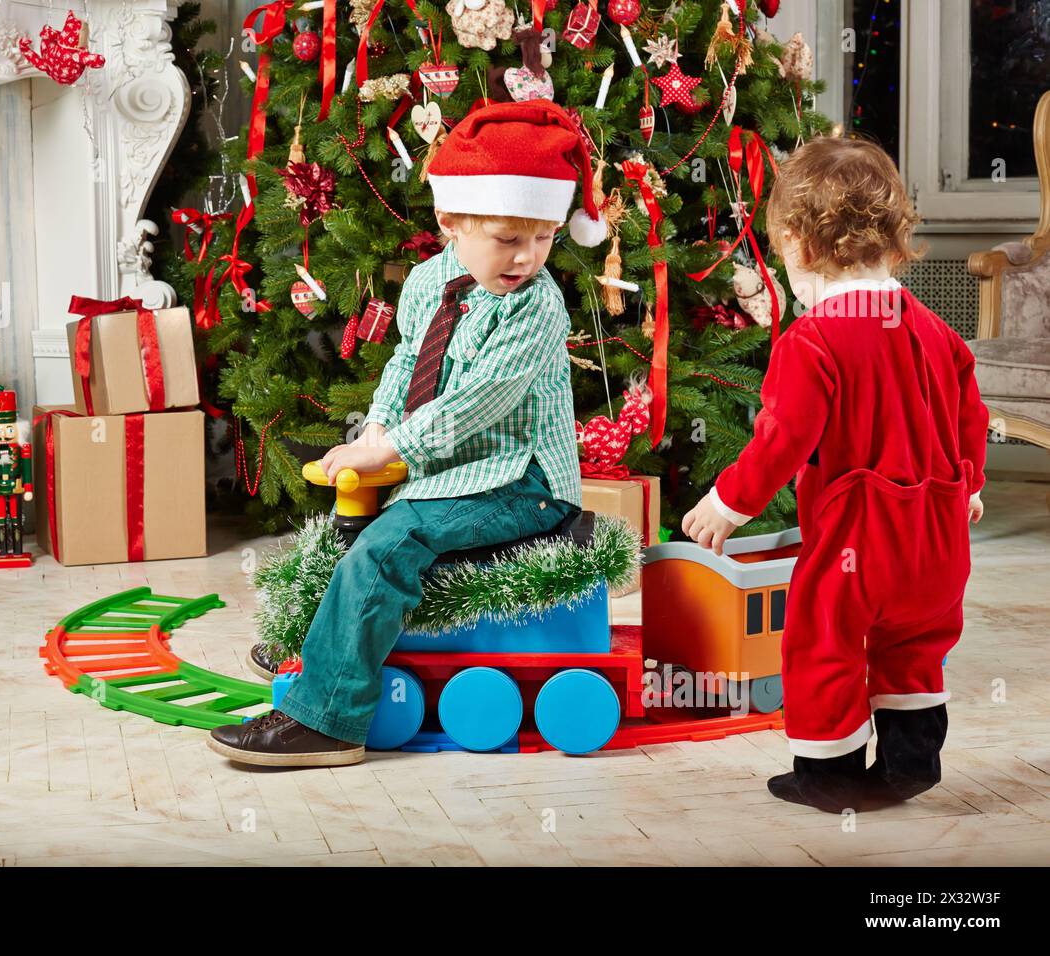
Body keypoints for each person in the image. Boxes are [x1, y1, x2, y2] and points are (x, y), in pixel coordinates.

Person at [209, 100, 603, 767]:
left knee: (391, 542)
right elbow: (403, 362)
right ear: (451, 222)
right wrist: (378, 431)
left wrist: (394, 450)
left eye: (543, 239)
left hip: (520, 479)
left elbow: (481, 401)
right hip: (446, 468)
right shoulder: (427, 282)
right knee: (348, 522)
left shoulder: (536, 306)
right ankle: (317, 652)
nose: (528, 257)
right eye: (509, 239)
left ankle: (329, 722)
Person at [680, 135, 989, 812]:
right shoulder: (936, 330)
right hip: (939, 535)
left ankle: (830, 773)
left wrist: (729, 503)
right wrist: (968, 485)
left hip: (859, 538)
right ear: (895, 240)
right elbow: (971, 414)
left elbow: (783, 438)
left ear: (797, 243)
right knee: (916, 640)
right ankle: (911, 760)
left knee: (826, 640)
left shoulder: (814, 339)